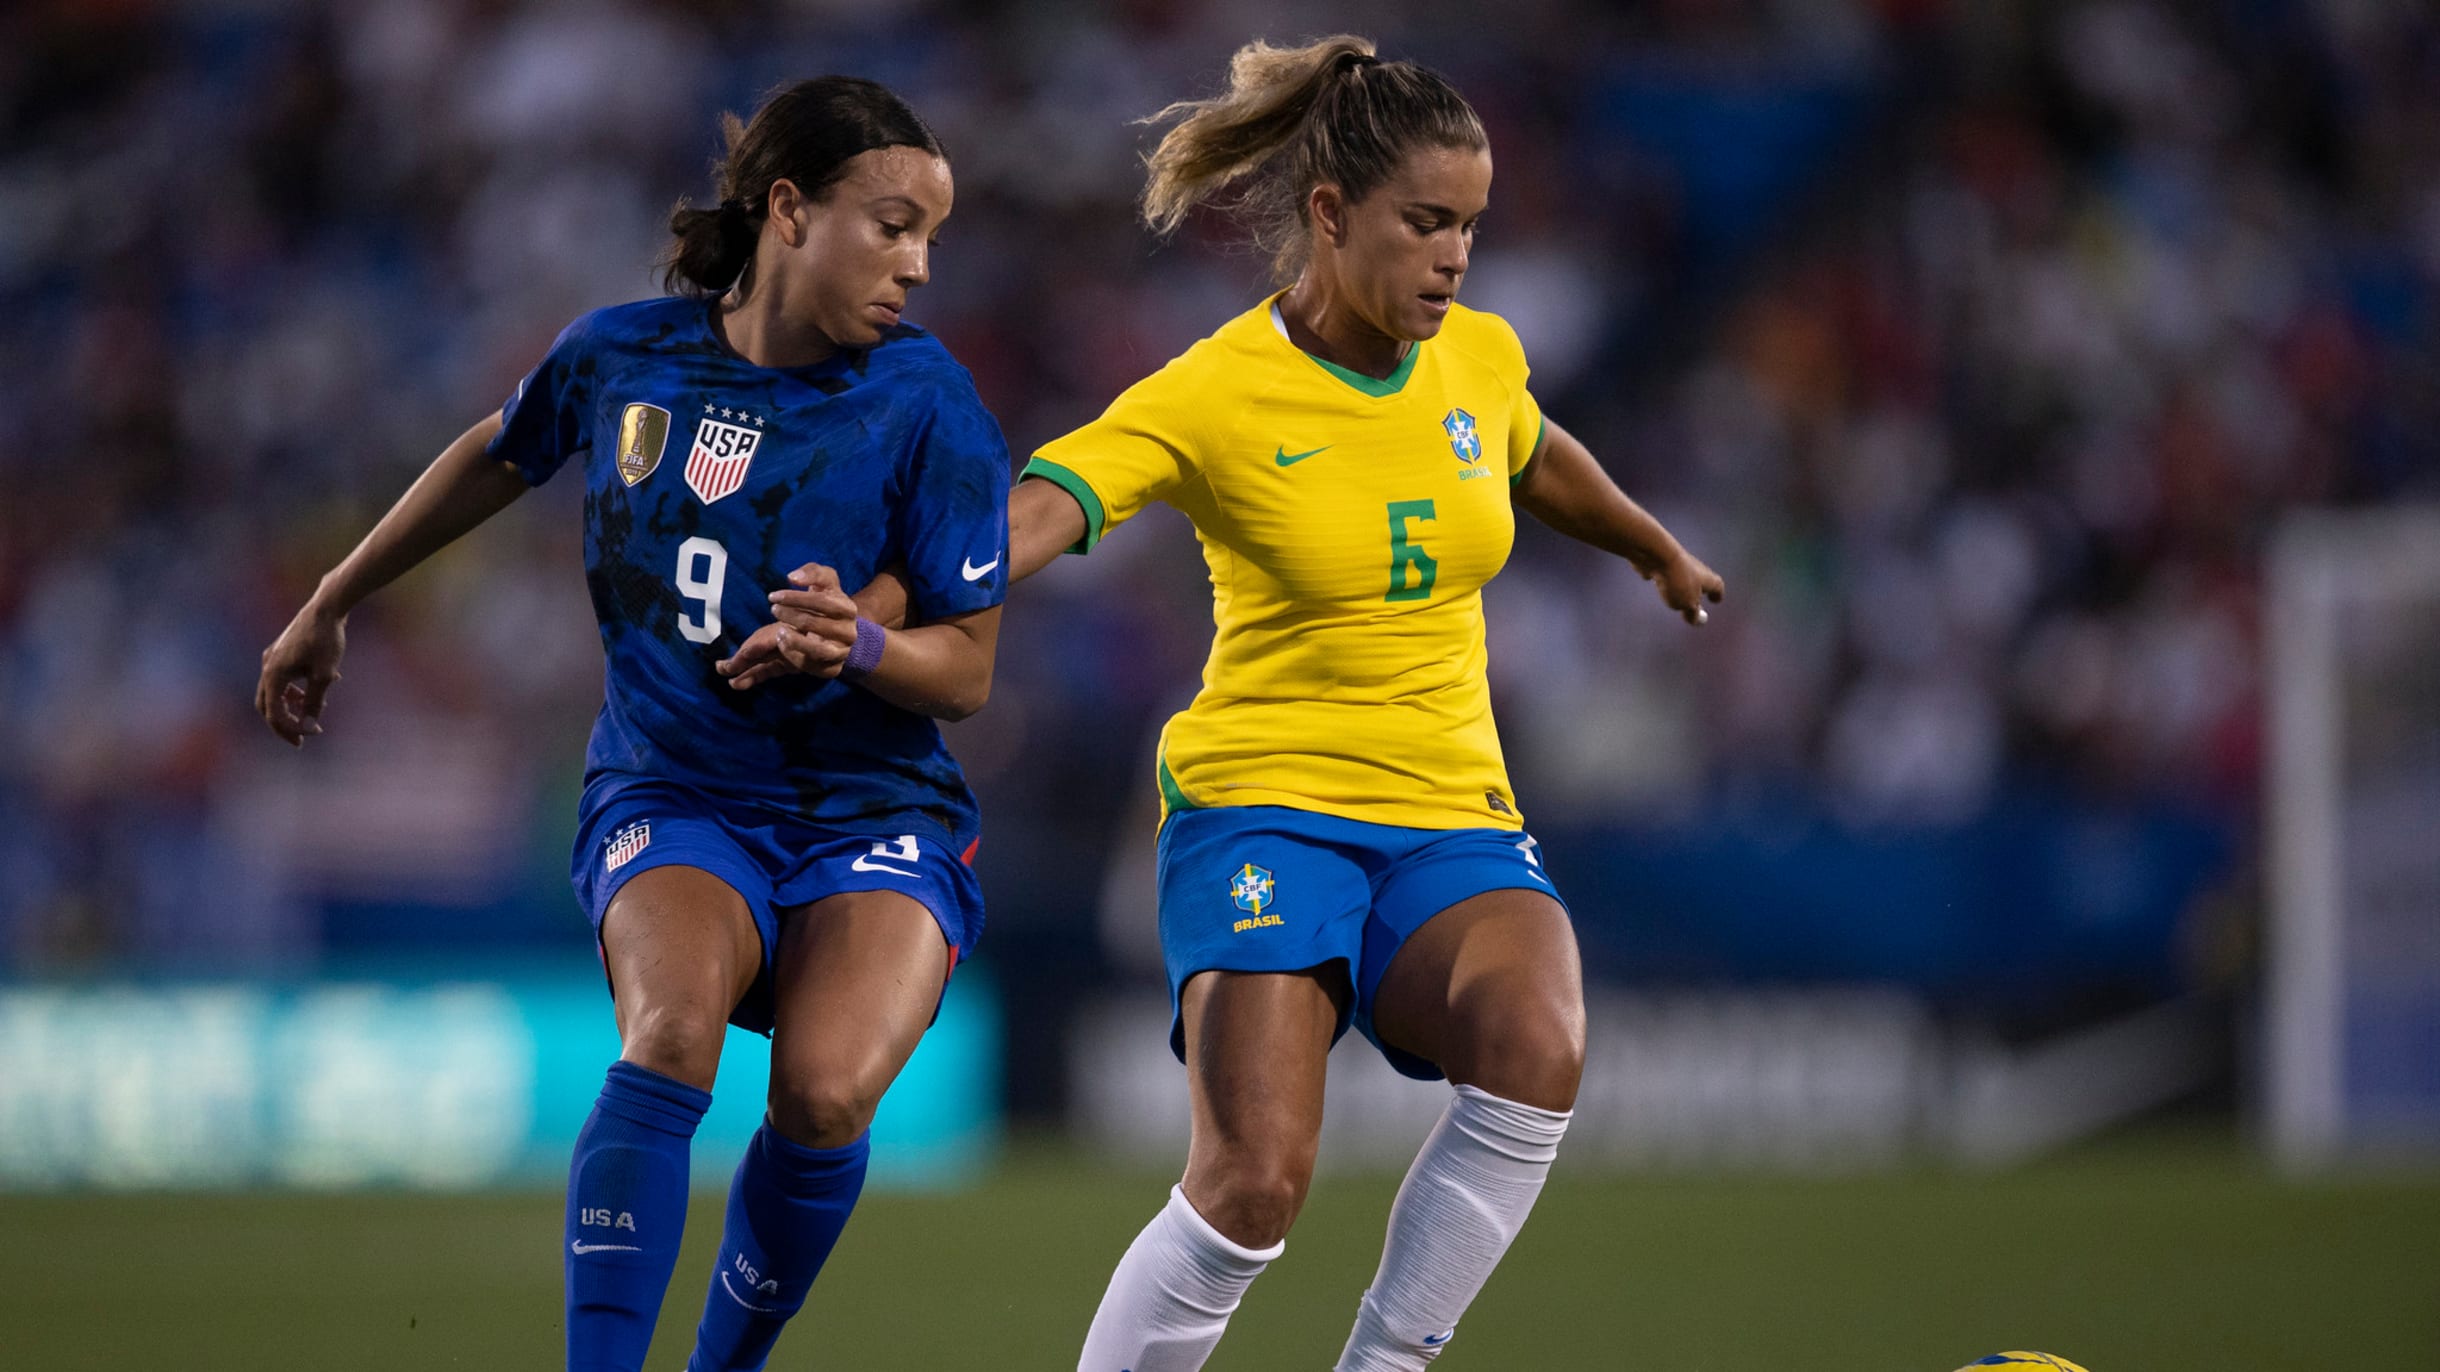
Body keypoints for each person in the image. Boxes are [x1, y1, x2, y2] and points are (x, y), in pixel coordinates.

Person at [747, 33, 1725, 1371]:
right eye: (1425, 223)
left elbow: (1535, 452)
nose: (1454, 257)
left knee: (1539, 1036)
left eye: (1472, 228)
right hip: (1263, 810)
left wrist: (1650, 545)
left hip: (1451, 812)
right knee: (1255, 1183)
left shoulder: (1478, 358)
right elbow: (1043, 506)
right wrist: (884, 611)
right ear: (1330, 215)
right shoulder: (1218, 389)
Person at [253, 77, 1011, 1372]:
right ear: (788, 210)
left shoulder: (929, 404)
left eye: (930, 238)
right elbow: (497, 451)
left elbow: (968, 670)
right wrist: (333, 599)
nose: (918, 268)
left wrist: (865, 642)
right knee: (670, 1035)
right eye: (891, 226)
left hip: (874, 810)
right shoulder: (622, 355)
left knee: (825, 1094)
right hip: (677, 787)